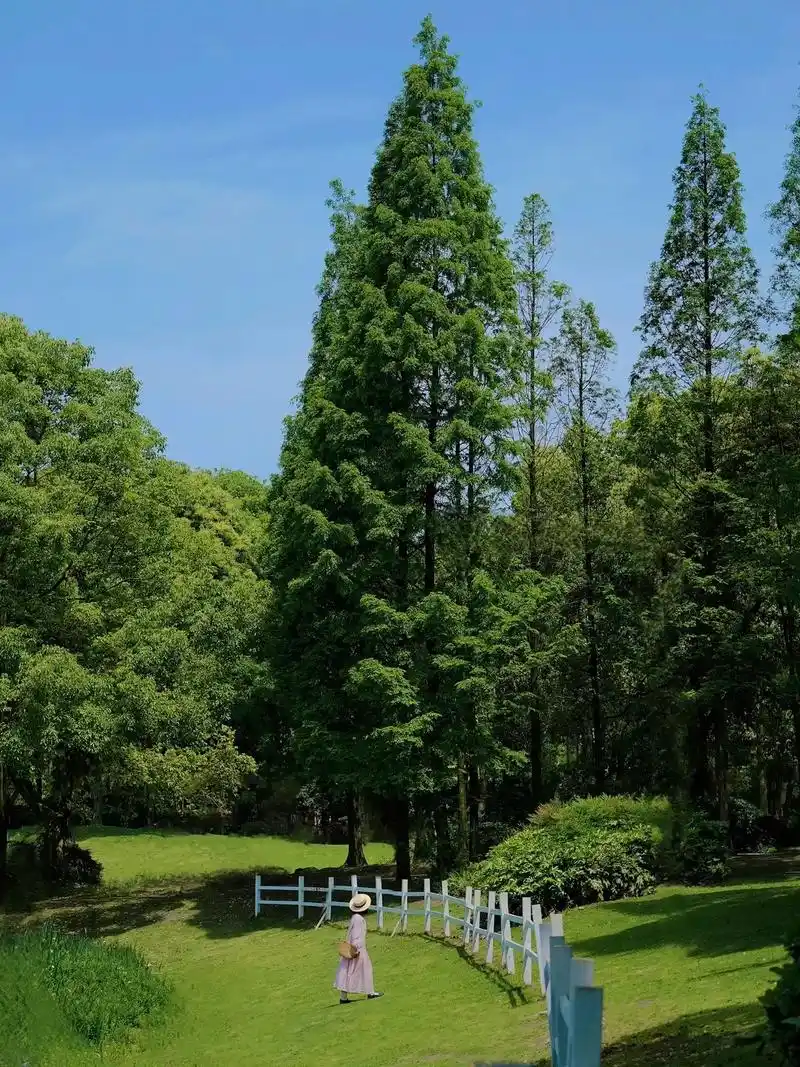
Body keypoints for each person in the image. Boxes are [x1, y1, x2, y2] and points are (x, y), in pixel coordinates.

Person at [334, 892, 384, 1004]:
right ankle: (370, 992)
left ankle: (344, 997)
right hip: (357, 949)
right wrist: (356, 949)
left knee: (348, 971)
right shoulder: (358, 919)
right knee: (365, 970)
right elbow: (356, 936)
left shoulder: (355, 917)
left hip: (353, 948)